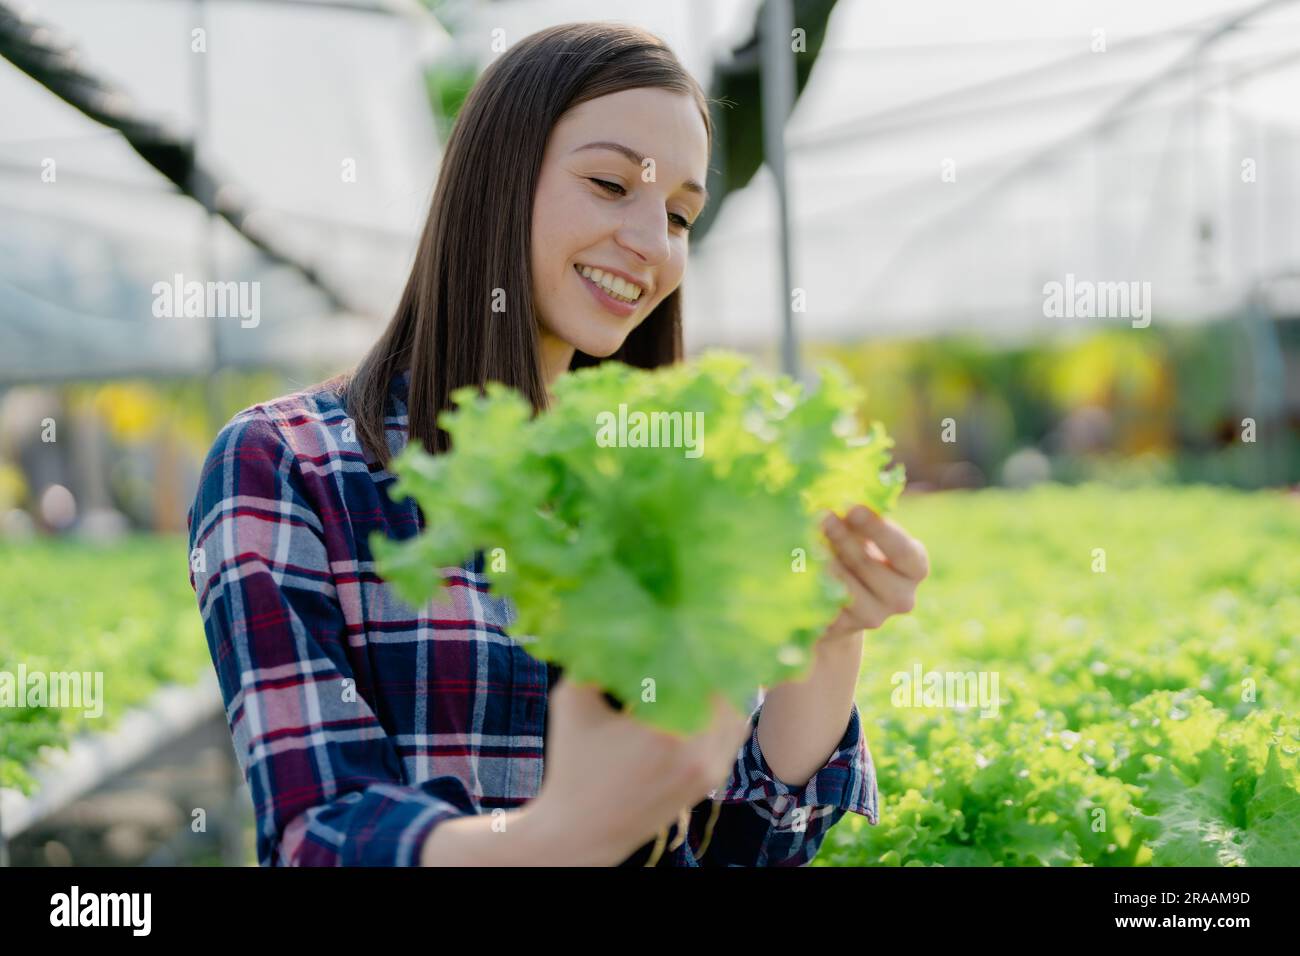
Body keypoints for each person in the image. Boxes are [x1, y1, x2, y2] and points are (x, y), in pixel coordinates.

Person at [186, 22, 928, 867]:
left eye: (681, 215)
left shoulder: (667, 473)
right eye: (611, 184)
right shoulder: (287, 464)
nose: (654, 244)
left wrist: (825, 638)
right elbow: (318, 833)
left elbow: (742, 848)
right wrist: (554, 838)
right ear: (495, 181)